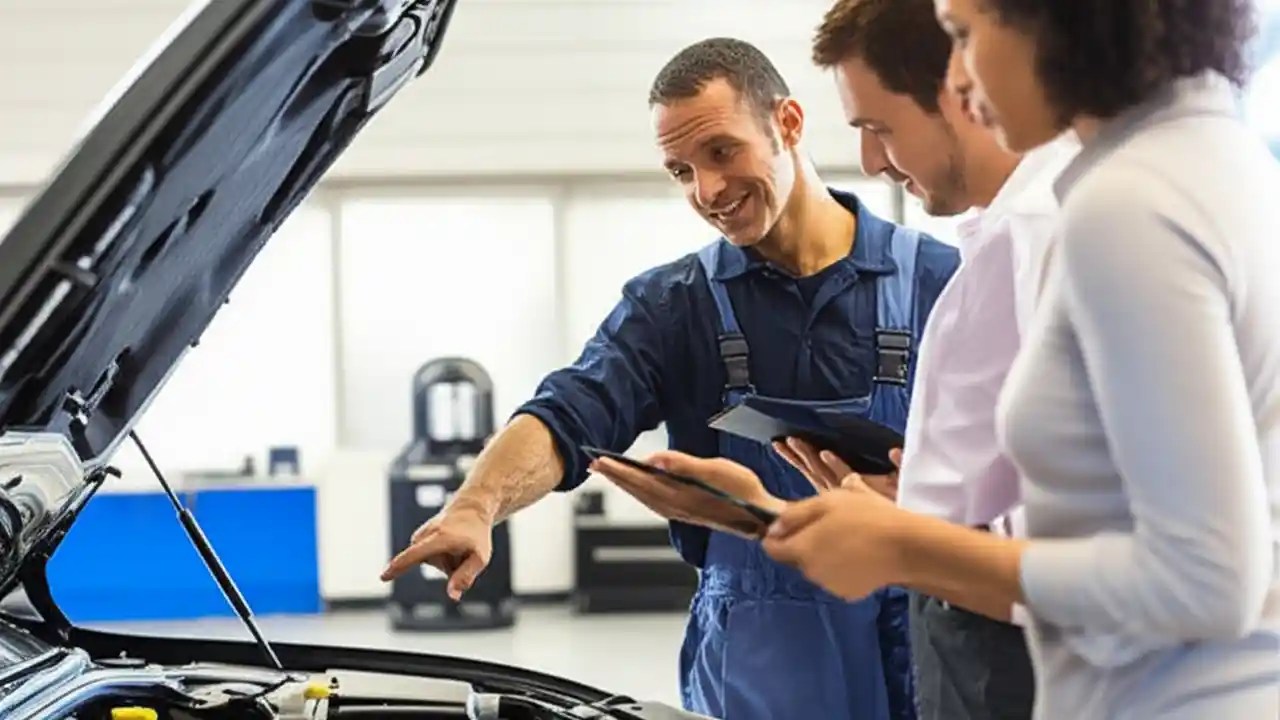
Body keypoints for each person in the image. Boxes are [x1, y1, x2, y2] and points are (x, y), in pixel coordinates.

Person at [618, 0, 1280, 717]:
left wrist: (895, 541)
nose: (958, 79)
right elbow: (1097, 518)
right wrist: (772, 518)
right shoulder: (1211, 158)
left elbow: (1202, 578)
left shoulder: (1114, 209)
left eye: (963, 36)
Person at [380, 37, 960, 720]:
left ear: (788, 123)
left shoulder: (939, 281)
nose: (707, 191)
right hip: (759, 668)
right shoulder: (672, 305)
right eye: (681, 171)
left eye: (721, 151)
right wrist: (476, 507)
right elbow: (571, 411)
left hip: (923, 646)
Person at [591, 1, 1074, 717]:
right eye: (681, 170)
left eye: (878, 127)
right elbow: (1012, 524)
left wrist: (771, 522)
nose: (874, 160)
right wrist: (779, 515)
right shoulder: (1003, 238)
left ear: (963, 88)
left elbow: (1135, 571)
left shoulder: (1046, 238)